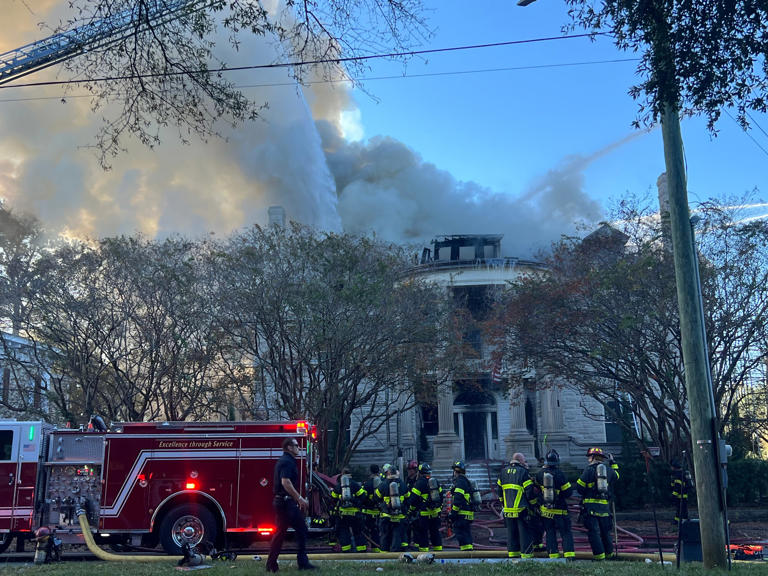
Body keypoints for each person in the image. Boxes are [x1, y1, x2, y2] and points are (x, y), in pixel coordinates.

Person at [266, 437, 317, 572]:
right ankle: (303, 562)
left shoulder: (284, 460)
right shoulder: (287, 462)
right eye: (296, 445)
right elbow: (285, 482)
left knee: (280, 534)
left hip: (282, 502)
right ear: (289, 447)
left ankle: (271, 565)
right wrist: (300, 498)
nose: (298, 448)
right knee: (302, 529)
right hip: (286, 502)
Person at [576, 447, 619, 561]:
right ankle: (609, 555)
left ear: (593, 457)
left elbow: (579, 487)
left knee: (594, 533)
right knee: (606, 533)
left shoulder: (588, 470)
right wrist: (613, 463)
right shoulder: (609, 470)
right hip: (605, 509)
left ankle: (599, 557)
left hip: (591, 509)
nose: (588, 459)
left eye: (589, 457)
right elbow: (617, 477)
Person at [535, 449, 575, 560]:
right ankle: (569, 556)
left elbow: (536, 489)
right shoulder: (560, 474)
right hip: (560, 511)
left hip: (546, 512)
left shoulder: (539, 474)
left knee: (550, 533)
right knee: (566, 533)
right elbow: (568, 492)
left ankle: (553, 556)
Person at [497, 452, 535, 559]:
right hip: (521, 509)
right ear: (520, 461)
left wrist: (504, 504)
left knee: (511, 534)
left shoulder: (503, 472)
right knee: (524, 534)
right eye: (524, 460)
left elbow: (499, 491)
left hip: (508, 510)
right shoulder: (523, 472)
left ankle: (513, 558)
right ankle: (526, 558)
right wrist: (533, 505)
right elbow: (529, 492)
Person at [408, 463, 443, 552]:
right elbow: (441, 496)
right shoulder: (435, 482)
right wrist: (439, 508)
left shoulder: (419, 483)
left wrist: (411, 510)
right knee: (435, 532)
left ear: (420, 472)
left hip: (424, 514)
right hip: (435, 513)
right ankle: (438, 551)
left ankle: (424, 552)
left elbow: (413, 499)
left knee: (423, 533)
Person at [330, 468, 367, 552]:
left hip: (342, 515)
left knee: (344, 532)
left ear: (342, 474)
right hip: (355, 515)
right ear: (350, 474)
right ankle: (362, 551)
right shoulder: (355, 484)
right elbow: (363, 497)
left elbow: (333, 498)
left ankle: (346, 551)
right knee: (358, 532)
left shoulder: (339, 485)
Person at [376, 464, 407, 551]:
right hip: (399, 516)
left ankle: (384, 556)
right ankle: (394, 554)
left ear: (388, 473)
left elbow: (376, 497)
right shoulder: (402, 484)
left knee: (385, 536)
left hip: (386, 516)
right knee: (396, 536)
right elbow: (408, 498)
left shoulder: (383, 484)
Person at [448, 460, 474, 551]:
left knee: (461, 535)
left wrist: (453, 513)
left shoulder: (460, 481)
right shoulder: (465, 480)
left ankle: (466, 556)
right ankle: (469, 554)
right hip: (466, 513)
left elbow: (458, 498)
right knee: (466, 534)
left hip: (461, 514)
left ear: (455, 471)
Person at [361, 464, 383, 552]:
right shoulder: (382, 483)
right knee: (377, 531)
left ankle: (365, 548)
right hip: (380, 513)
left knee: (367, 531)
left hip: (369, 512)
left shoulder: (367, 484)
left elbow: (362, 497)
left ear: (370, 472)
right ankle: (377, 549)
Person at [670, 457, 694, 525]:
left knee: (680, 509)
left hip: (679, 496)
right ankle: (684, 521)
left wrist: (673, 496)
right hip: (684, 496)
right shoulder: (683, 473)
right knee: (683, 509)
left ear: (674, 467)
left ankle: (678, 522)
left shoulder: (678, 475)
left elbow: (677, 487)